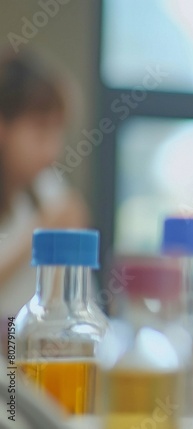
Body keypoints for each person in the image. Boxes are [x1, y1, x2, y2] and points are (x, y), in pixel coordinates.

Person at [0, 51, 90, 322]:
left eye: (57, 132)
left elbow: (65, 311)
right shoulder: (46, 207)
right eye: (40, 131)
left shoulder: (49, 190)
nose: (53, 151)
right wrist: (38, 233)